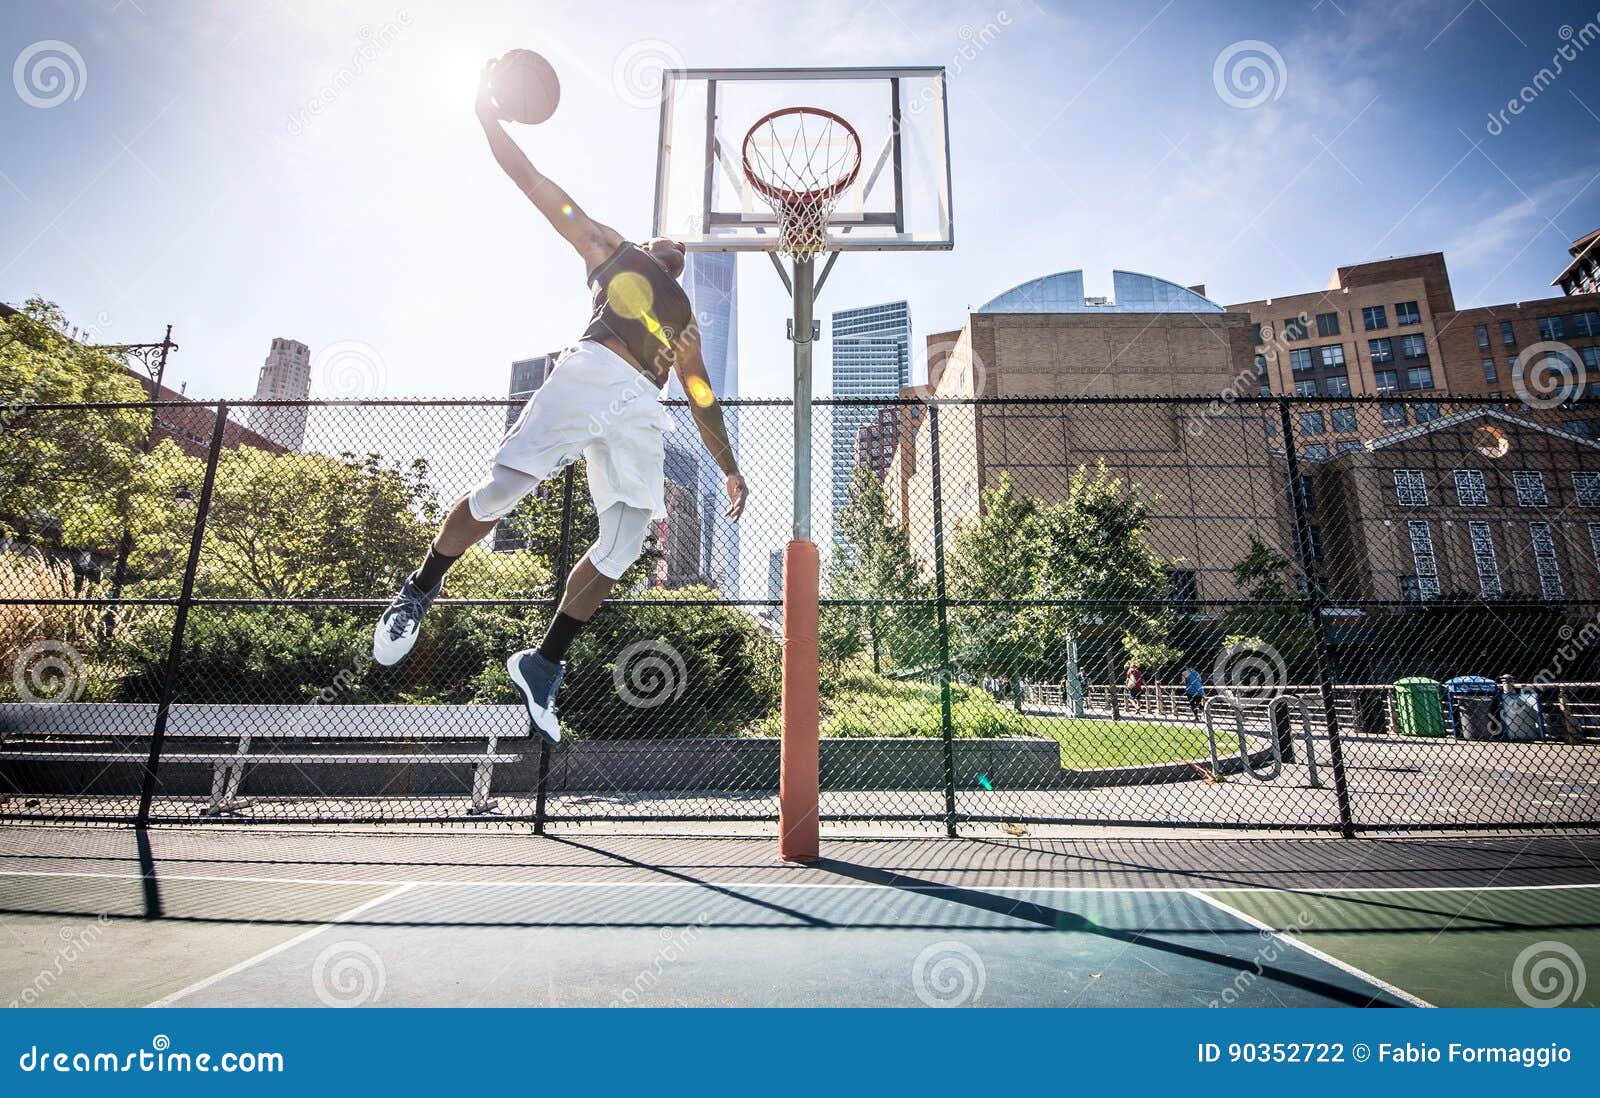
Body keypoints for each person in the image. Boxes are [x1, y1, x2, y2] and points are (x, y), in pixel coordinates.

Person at [370, 59, 748, 742]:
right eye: (666, 242)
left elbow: (699, 394)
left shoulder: (686, 321)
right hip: (592, 371)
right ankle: (419, 590)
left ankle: (542, 663)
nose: (676, 247)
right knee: (502, 492)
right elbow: (533, 182)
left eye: (681, 250)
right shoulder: (610, 249)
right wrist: (486, 117)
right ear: (648, 247)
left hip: (641, 405)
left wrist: (728, 466)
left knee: (626, 539)